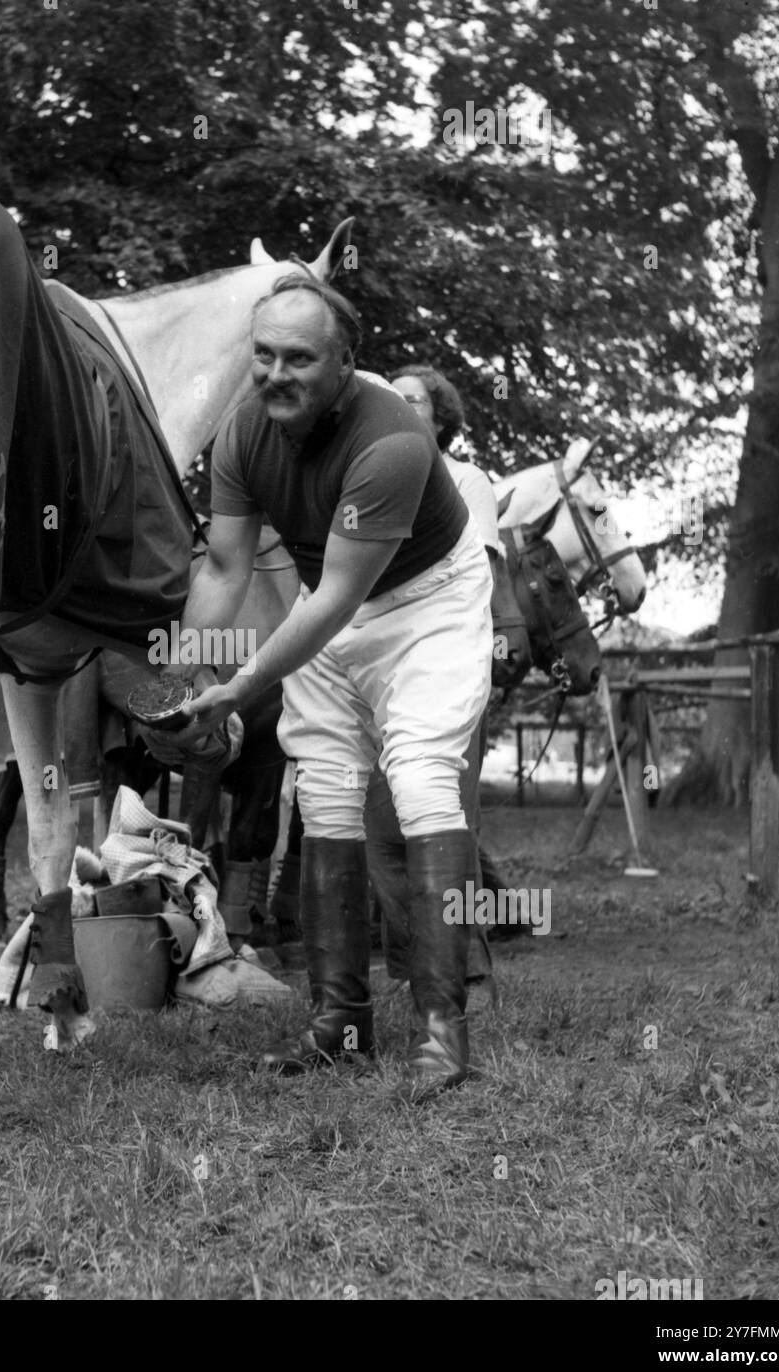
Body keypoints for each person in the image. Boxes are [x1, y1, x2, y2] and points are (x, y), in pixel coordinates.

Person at [160, 275, 493, 1093]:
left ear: (344, 364)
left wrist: (236, 688)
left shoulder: (395, 442)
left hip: (427, 605)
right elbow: (228, 564)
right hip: (329, 600)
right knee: (325, 793)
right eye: (262, 355)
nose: (275, 374)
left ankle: (444, 1037)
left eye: (298, 358)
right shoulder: (241, 434)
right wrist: (176, 676)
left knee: (417, 780)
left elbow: (342, 596)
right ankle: (340, 1022)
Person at [363, 365, 530, 985]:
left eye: (412, 401)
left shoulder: (467, 480)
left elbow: (478, 572)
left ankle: (466, 965)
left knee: (448, 813)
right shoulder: (368, 477)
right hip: (375, 669)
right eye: (390, 400)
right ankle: (412, 967)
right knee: (379, 818)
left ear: (440, 419)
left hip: (445, 665)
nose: (398, 408)